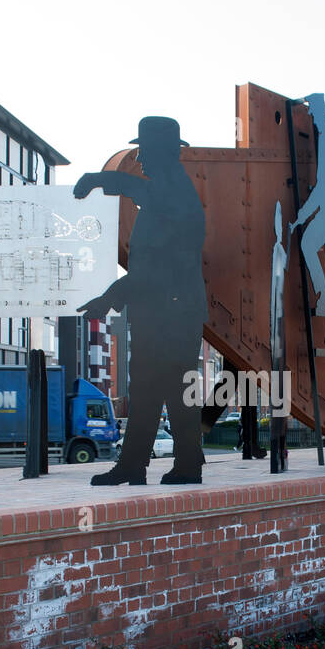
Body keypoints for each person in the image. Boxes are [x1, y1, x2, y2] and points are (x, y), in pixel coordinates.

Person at [75, 117, 206, 485]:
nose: (140, 158)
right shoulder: (166, 190)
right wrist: (99, 180)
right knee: (154, 387)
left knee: (164, 387)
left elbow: (158, 270)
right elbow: (136, 187)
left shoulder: (174, 197)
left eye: (144, 151)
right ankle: (160, 464)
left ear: (162, 153)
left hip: (172, 311)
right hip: (162, 311)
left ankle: (170, 465)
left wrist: (109, 298)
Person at [288, 94, 325, 356]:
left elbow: (323, 187)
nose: (313, 117)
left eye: (315, 113)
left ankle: (324, 297)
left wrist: (300, 218)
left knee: (308, 245)